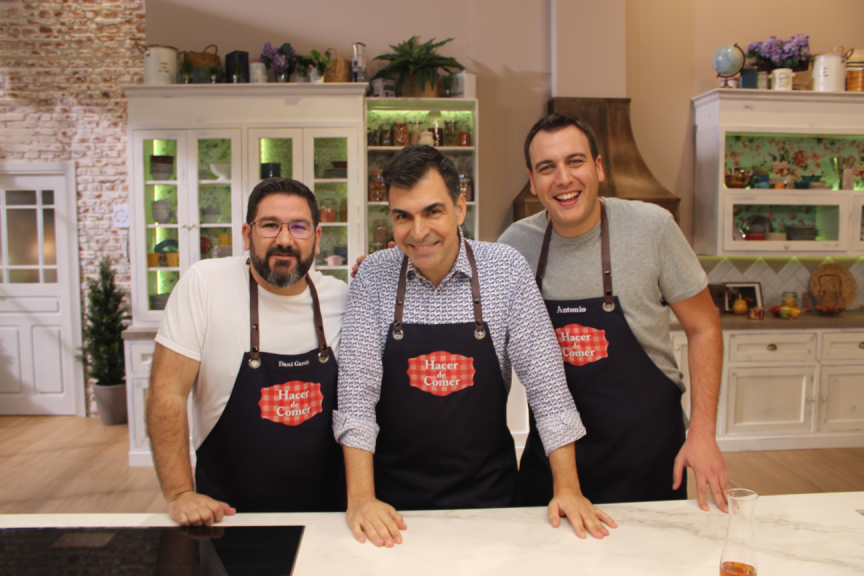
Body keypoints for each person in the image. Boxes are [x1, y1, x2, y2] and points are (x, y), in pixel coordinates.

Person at [334, 145, 616, 548]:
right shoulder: (373, 277)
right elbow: (356, 399)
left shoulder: (505, 269)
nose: (417, 232)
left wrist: (568, 488)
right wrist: (362, 499)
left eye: (432, 211)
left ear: (459, 208)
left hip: (491, 500)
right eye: (402, 216)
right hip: (392, 511)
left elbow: (548, 390)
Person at [499, 113, 730, 512]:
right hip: (553, 457)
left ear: (598, 167)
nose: (563, 179)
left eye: (575, 161)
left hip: (645, 451)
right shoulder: (516, 245)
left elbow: (704, 327)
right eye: (547, 168)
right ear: (533, 181)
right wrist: (389, 268)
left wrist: (703, 432)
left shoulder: (652, 228)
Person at [147, 178, 349, 525]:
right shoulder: (205, 285)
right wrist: (180, 493)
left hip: (330, 519)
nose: (284, 240)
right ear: (246, 233)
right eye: (270, 225)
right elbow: (167, 392)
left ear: (317, 239)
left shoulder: (343, 297)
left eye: (298, 227)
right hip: (227, 517)